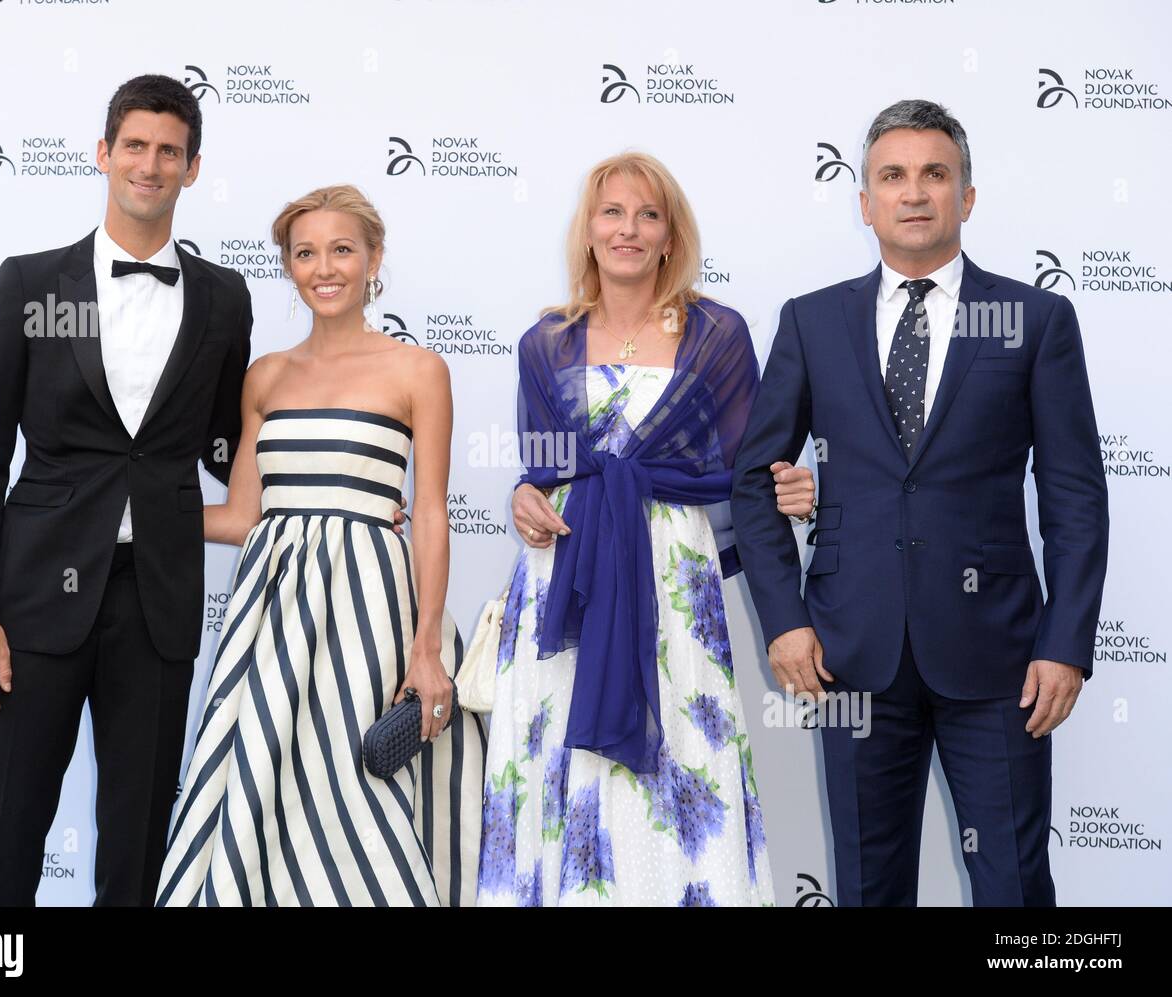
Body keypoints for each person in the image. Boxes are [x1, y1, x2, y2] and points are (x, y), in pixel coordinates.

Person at [731, 100, 1108, 906]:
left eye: (934, 174)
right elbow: (755, 480)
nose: (913, 192)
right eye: (892, 176)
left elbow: (1074, 493)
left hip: (1001, 661)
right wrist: (785, 620)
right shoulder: (811, 321)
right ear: (864, 201)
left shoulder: (1036, 319)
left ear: (966, 196)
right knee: (868, 888)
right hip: (850, 654)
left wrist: (1067, 643)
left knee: (1013, 887)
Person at [0, 75, 255, 905]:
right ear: (103, 153)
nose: (150, 166)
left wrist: (333, 486)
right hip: (33, 599)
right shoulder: (30, 284)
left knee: (139, 845)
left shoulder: (225, 298)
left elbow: (229, 446)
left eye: (169, 152)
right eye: (135, 146)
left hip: (156, 604)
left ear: (193, 169)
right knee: (6, 837)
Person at [481, 152, 814, 907]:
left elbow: (746, 469)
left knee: (681, 761)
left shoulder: (716, 334)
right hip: (565, 583)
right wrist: (525, 495)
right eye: (612, 212)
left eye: (647, 214)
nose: (627, 228)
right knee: (560, 765)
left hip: (674, 585)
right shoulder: (546, 341)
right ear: (588, 230)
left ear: (671, 236)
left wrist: (792, 489)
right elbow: (546, 470)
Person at [155, 185, 485, 907]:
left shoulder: (418, 369)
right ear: (289, 265)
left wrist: (427, 645)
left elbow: (430, 512)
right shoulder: (265, 376)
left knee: (356, 791)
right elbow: (241, 516)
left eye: (342, 250)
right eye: (305, 253)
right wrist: (130, 511)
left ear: (374, 259)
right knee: (264, 788)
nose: (324, 268)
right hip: (271, 612)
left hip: (370, 608)